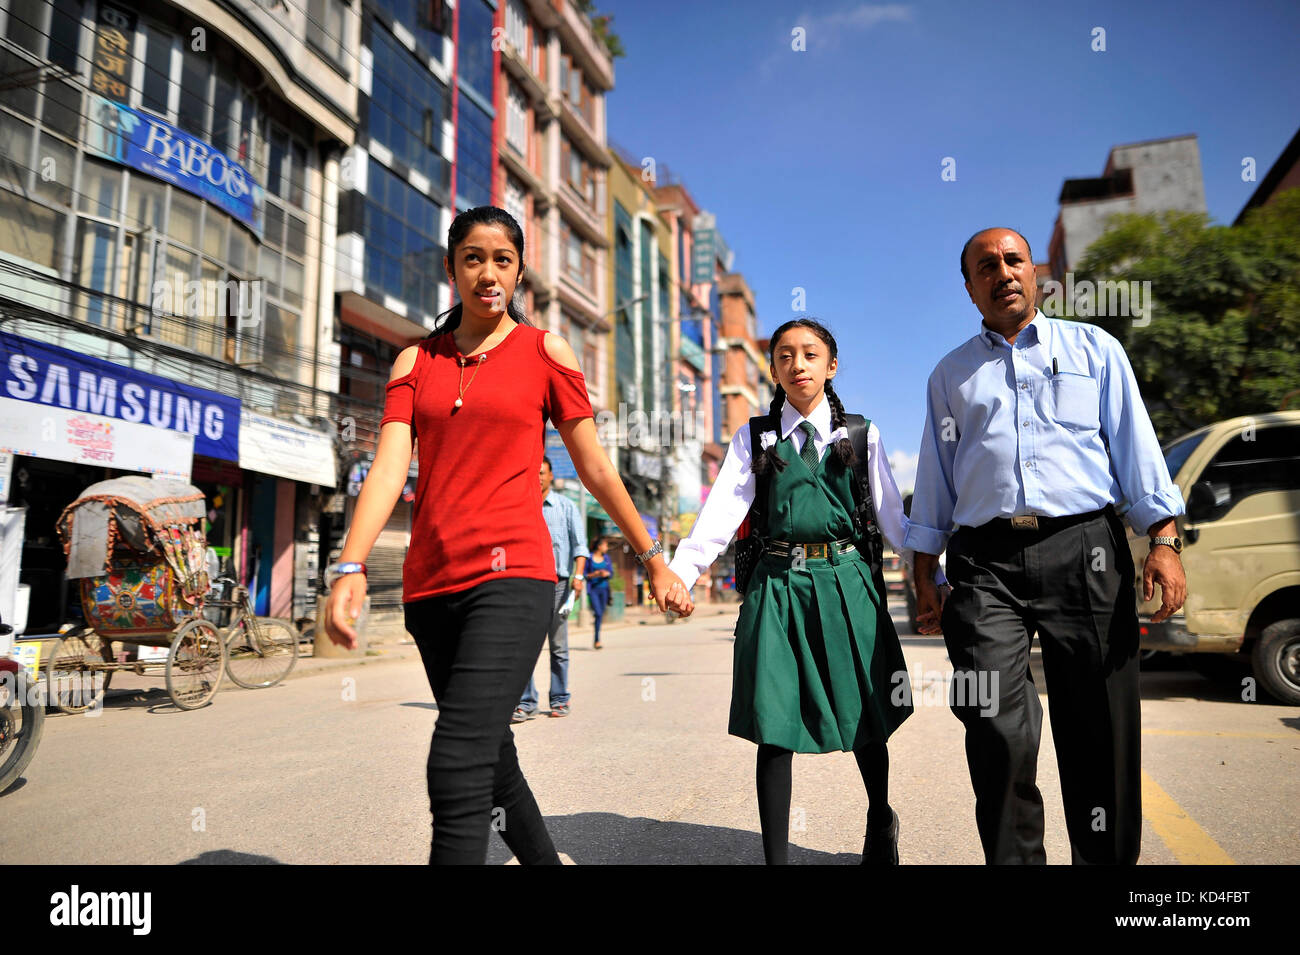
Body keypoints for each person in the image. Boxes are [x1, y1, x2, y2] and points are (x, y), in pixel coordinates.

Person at [324, 206, 693, 865]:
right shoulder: (416, 360)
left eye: (502, 259)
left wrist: (655, 557)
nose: (487, 271)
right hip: (430, 586)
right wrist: (350, 565)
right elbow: (387, 469)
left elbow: (595, 465)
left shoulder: (544, 350)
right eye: (473, 257)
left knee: (456, 759)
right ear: (451, 268)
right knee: (492, 760)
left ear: (519, 271)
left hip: (514, 576)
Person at [905, 227, 1187, 865]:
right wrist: (924, 571)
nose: (1002, 272)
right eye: (985, 266)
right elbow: (935, 479)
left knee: (1099, 730)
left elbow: (1136, 450)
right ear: (970, 287)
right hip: (984, 565)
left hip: (1085, 548)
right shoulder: (950, 374)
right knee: (994, 727)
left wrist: (1164, 541)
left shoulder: (1095, 349)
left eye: (1013, 260)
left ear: (1037, 273)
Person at [668, 318, 936, 865]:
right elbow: (720, 515)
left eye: (810, 354)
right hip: (776, 587)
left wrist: (933, 579)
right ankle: (776, 859)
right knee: (774, 718)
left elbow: (894, 523)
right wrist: (681, 571)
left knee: (866, 714)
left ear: (831, 366)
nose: (798, 364)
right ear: (773, 370)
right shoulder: (755, 437)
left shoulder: (860, 435)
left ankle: (880, 820)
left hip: (847, 585)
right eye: (785, 356)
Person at [512, 457, 587, 721]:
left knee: (558, 645)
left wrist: (579, 576)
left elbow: (580, 546)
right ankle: (526, 702)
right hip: (528, 583)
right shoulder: (521, 507)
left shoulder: (566, 507)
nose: (539, 477)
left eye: (542, 473)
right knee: (524, 645)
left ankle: (559, 699)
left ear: (551, 476)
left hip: (559, 584)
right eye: (535, 473)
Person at [584, 536, 613, 649]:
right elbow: (585, 575)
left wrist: (606, 574)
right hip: (594, 590)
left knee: (600, 614)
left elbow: (611, 573)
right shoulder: (590, 559)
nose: (607, 547)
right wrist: (595, 574)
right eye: (605, 545)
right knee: (598, 613)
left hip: (604, 589)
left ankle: (597, 638)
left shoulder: (606, 558)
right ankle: (597, 640)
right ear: (599, 546)